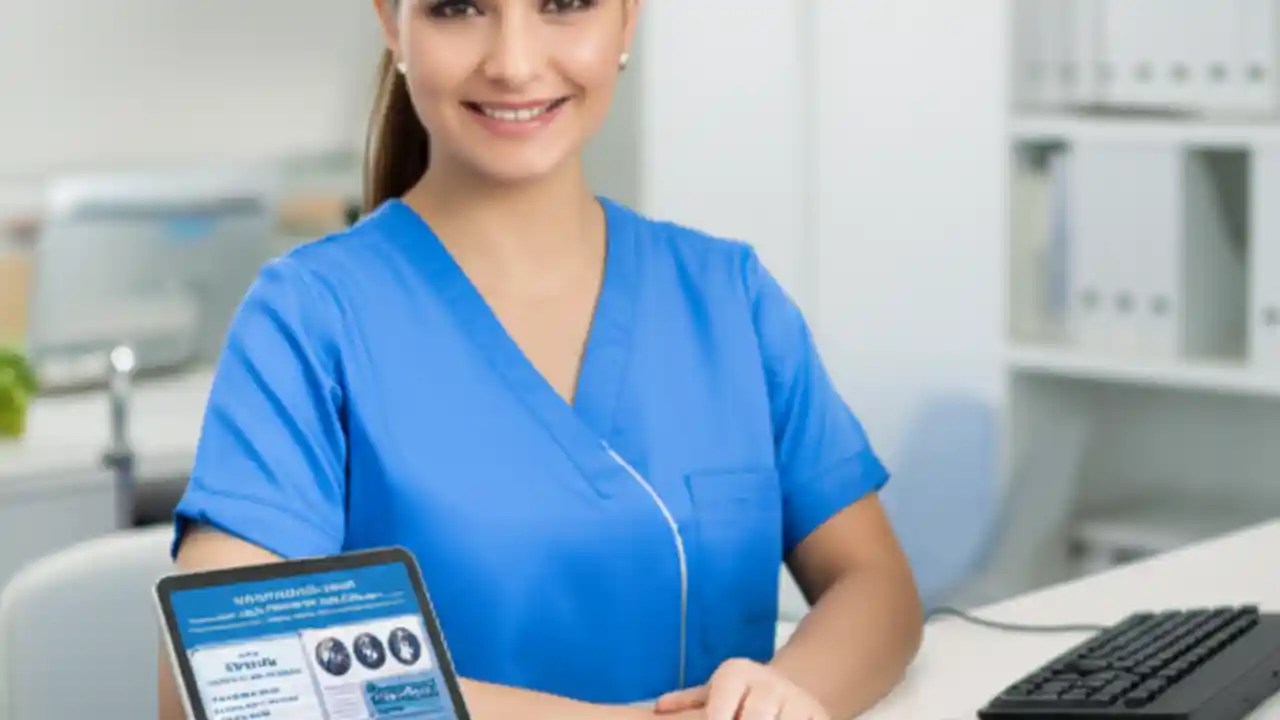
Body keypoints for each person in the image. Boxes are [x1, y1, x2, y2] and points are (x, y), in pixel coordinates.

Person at [157, 0, 924, 718]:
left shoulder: (730, 299)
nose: (515, 63)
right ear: (393, 23)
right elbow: (224, 678)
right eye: (459, 7)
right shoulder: (307, 320)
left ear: (628, 16)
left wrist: (781, 696)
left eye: (563, 1)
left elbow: (875, 584)